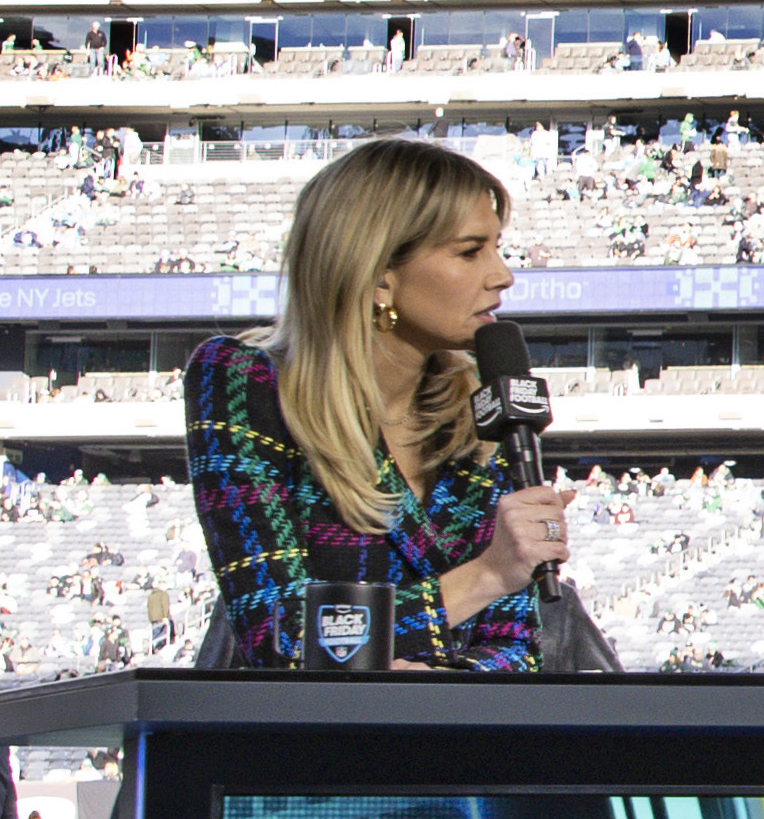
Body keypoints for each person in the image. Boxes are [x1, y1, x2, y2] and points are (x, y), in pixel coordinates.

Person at [182, 137, 578, 670]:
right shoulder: (243, 381)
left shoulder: (486, 414)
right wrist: (486, 575)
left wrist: (431, 683)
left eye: (497, 247)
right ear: (378, 277)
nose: (502, 275)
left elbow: (516, 646)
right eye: (470, 251)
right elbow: (279, 632)